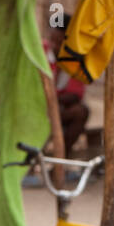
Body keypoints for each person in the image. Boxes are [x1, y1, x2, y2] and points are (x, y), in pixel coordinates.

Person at [44, 14, 89, 155]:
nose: (55, 46)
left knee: (81, 112)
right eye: (53, 40)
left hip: (58, 109)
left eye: (59, 42)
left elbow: (76, 95)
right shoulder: (40, 51)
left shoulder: (74, 58)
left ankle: (63, 155)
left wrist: (52, 99)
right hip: (37, 107)